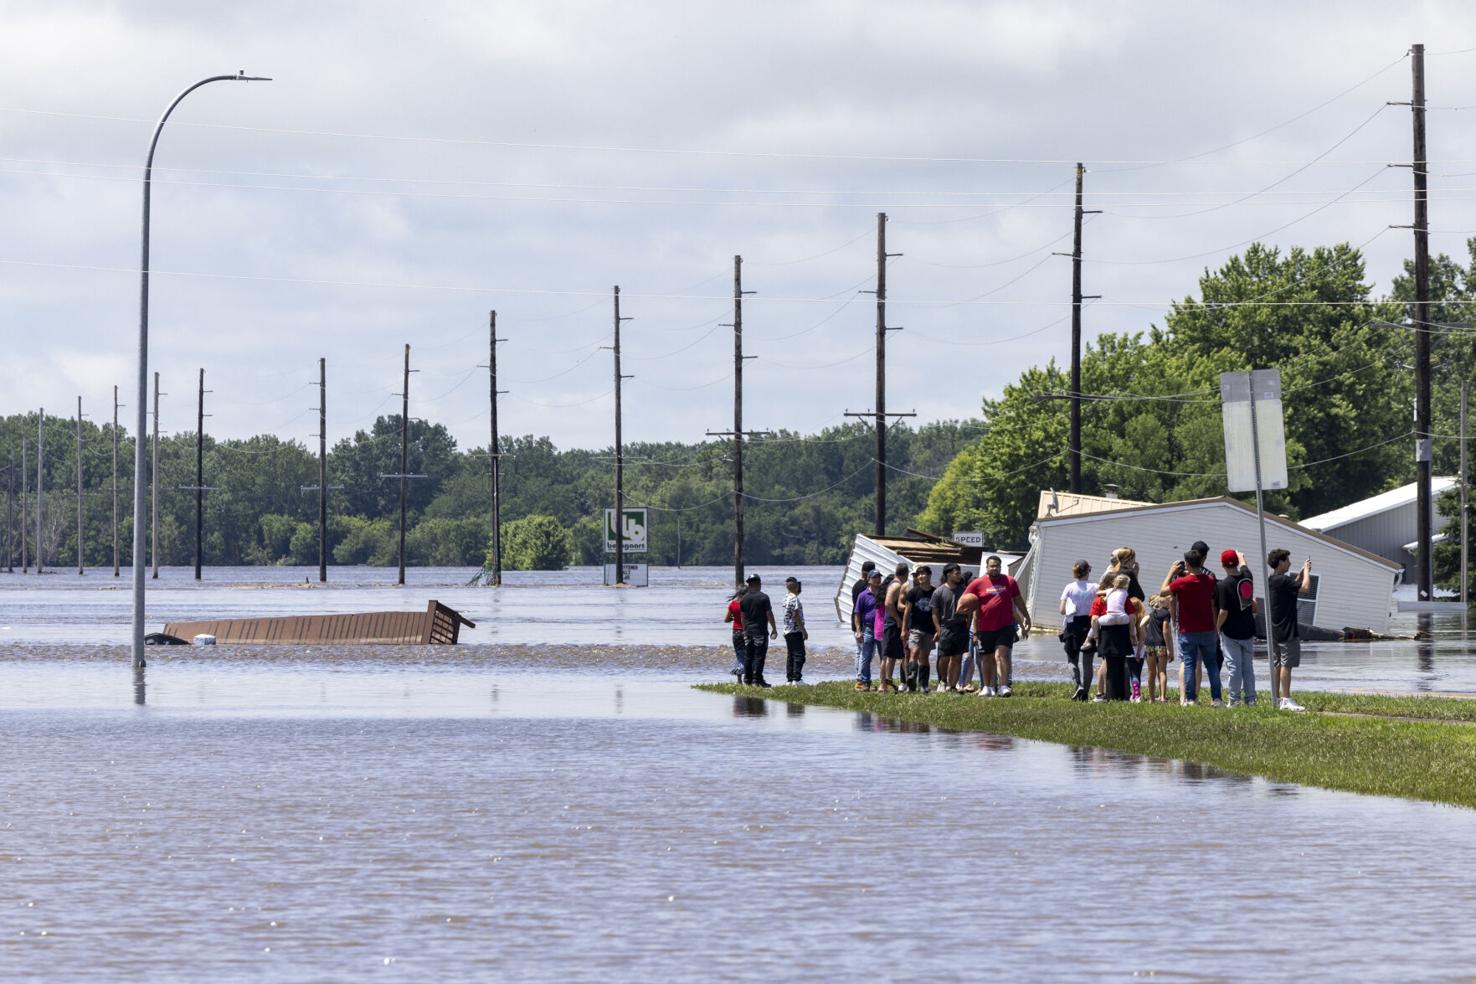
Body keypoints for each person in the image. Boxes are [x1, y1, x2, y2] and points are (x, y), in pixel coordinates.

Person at [964, 555, 1030, 697]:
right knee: (986, 658)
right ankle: (988, 687)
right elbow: (965, 599)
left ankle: (1004, 686)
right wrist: (963, 613)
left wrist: (1027, 618)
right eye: (991, 566)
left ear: (1000, 567)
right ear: (987, 567)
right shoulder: (978, 583)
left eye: (997, 566)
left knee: (1001, 656)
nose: (994, 568)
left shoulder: (1010, 581)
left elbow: (1018, 601)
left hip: (1004, 626)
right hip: (985, 627)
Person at [1163, 549, 1222, 706]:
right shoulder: (1209, 580)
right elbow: (1212, 603)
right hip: (1208, 628)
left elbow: (1163, 592)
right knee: (1211, 664)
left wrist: (1171, 572)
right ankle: (1216, 698)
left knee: (1189, 663)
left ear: (1187, 564)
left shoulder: (1181, 582)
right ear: (1202, 562)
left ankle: (1190, 698)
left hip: (1188, 630)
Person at [1267, 549, 1312, 712]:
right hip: (1287, 629)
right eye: (1287, 560)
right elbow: (1305, 588)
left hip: (1276, 628)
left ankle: (1276, 698)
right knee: (1287, 664)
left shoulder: (1273, 579)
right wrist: (1307, 572)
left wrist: (1300, 574)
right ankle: (1286, 699)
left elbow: (1295, 585)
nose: (1290, 563)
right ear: (1280, 562)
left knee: (1278, 663)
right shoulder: (1282, 580)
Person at [1215, 549, 1257, 707]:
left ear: (1223, 565)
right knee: (1248, 667)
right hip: (1247, 630)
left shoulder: (1223, 585)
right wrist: (1242, 557)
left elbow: (1223, 611)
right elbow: (1245, 565)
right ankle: (1251, 698)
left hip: (1231, 632)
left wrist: (1217, 627)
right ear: (1237, 562)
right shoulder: (1248, 577)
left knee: (1234, 668)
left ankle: (1234, 700)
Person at [1058, 559, 1096, 701]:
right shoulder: (1096, 587)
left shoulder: (1069, 587)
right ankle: (1085, 693)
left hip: (1073, 625)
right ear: (1088, 571)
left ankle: (1077, 684)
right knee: (1088, 663)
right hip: (1089, 624)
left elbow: (1062, 610)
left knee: (1071, 660)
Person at [932, 563, 968, 693]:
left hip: (961, 627)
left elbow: (970, 611)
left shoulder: (964, 591)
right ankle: (943, 681)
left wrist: (968, 626)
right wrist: (938, 630)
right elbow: (935, 613)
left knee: (957, 657)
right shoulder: (939, 591)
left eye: (959, 573)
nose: (959, 575)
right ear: (948, 574)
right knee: (944, 657)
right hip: (946, 627)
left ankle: (953, 685)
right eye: (956, 573)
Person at [737, 573, 778, 687]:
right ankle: (758, 679)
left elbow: (742, 616)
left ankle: (748, 679)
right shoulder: (764, 597)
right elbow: (769, 614)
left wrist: (744, 630)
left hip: (748, 632)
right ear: (759, 584)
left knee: (749, 656)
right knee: (759, 656)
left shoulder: (744, 599)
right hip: (760, 631)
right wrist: (774, 628)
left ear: (749, 584)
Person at [902, 566, 936, 692]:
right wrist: (903, 630)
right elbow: (907, 612)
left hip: (930, 629)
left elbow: (937, 613)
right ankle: (911, 677)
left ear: (929, 576)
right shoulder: (913, 592)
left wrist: (938, 630)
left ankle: (923, 684)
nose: (920, 577)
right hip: (915, 628)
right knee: (914, 652)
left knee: (925, 657)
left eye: (923, 574)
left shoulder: (935, 592)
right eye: (918, 574)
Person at [852, 569, 884, 691]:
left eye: (879, 577)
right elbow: (857, 614)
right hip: (869, 629)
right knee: (866, 656)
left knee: (884, 656)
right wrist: (859, 631)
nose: (877, 579)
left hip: (881, 629)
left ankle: (883, 681)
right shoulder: (863, 595)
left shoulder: (883, 593)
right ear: (869, 580)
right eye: (875, 577)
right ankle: (865, 681)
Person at [881, 563, 910, 693]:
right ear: (906, 574)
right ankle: (884, 684)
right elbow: (888, 603)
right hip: (893, 624)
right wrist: (898, 619)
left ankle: (889, 682)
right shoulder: (897, 585)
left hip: (892, 624)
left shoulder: (893, 583)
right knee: (889, 656)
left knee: (893, 655)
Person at [1142, 592, 1174, 703]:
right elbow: (1165, 630)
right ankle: (1162, 698)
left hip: (1150, 645)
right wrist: (1170, 649)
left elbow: (1142, 625)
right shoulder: (1166, 613)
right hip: (1160, 645)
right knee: (1162, 672)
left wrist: (1147, 634)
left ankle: (1151, 699)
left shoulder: (1152, 614)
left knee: (1151, 672)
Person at [851, 560, 877, 674]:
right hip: (862, 623)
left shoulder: (856, 585)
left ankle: (859, 673)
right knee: (866, 653)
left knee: (859, 651)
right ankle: (860, 675)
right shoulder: (866, 587)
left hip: (855, 620)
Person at [782, 576, 808, 685]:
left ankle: (790, 679)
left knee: (790, 655)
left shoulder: (785, 598)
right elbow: (796, 615)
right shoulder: (794, 599)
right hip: (795, 630)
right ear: (797, 586)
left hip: (787, 630)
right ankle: (797, 679)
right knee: (799, 655)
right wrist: (803, 630)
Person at [723, 585, 747, 680]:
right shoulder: (747, 604)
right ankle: (748, 677)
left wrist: (733, 618)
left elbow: (726, 619)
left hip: (736, 632)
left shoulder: (732, 604)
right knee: (749, 654)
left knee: (739, 654)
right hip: (747, 631)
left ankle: (739, 679)